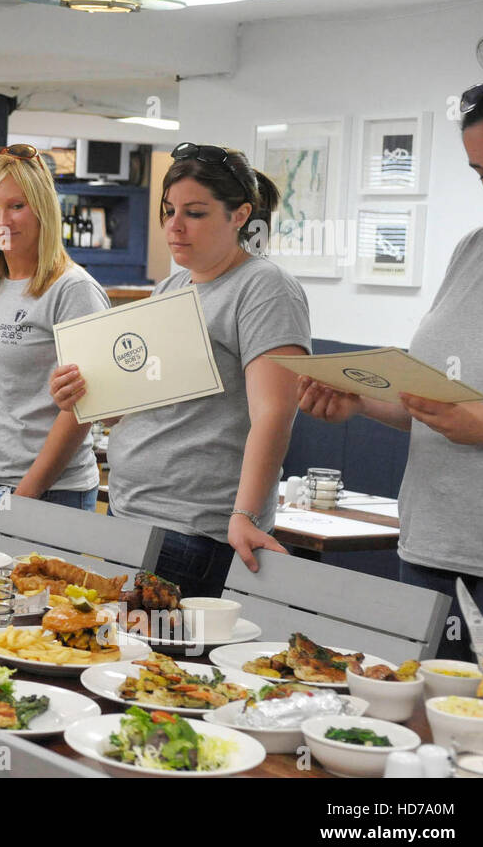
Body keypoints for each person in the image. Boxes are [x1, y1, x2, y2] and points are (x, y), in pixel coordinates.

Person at [298, 77, 483, 658]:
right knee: (424, 733)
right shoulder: (477, 249)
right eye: (481, 172)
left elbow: (479, 419)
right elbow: (434, 407)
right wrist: (363, 401)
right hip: (430, 547)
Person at [51, 142, 311, 598]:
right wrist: (85, 391)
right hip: (130, 512)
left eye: (195, 213)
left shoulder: (265, 287)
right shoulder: (172, 285)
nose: (175, 226)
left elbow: (275, 413)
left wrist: (245, 516)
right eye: (169, 211)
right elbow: (128, 407)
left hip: (194, 529)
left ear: (239, 215)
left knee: (166, 664)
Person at [0, 145, 109, 545]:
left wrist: (27, 494)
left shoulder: (72, 289)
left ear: (42, 208)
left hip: (50, 493)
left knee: (29, 607)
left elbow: (83, 409)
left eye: (16, 206)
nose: (1, 220)